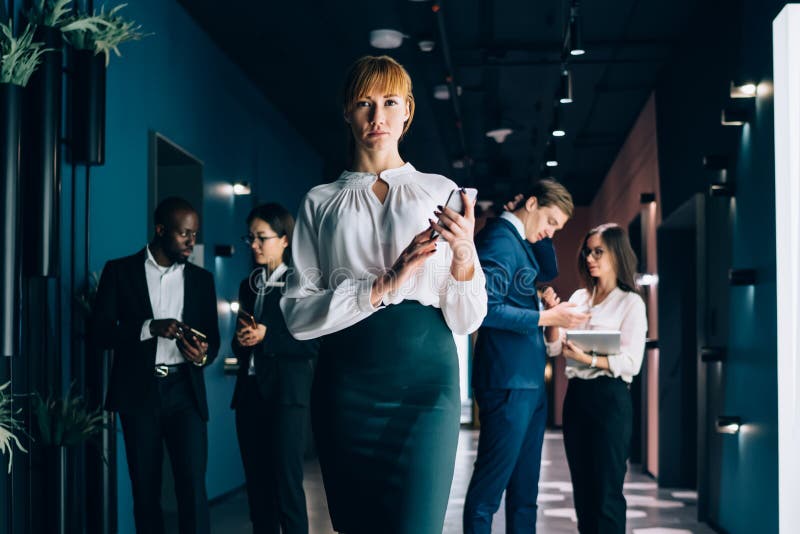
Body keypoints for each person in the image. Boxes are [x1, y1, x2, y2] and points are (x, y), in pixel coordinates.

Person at [280, 55, 488, 533]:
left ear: (408, 110)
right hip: (346, 385)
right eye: (364, 103)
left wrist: (462, 256)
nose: (378, 117)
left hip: (427, 386)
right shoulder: (319, 202)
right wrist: (384, 284)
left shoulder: (443, 191)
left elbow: (467, 318)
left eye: (390, 102)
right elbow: (297, 314)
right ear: (346, 113)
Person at [463, 179, 590, 533]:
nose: (550, 232)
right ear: (531, 203)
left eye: (558, 229)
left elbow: (548, 271)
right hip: (507, 382)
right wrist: (547, 316)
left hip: (528, 382)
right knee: (489, 491)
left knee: (525, 493)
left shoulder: (518, 240)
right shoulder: (500, 239)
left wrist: (542, 231)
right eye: (550, 221)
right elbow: (484, 310)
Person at [92, 197, 220, 534]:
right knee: (145, 490)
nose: (192, 242)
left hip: (186, 393)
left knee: (192, 487)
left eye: (194, 234)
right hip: (139, 393)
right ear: (160, 230)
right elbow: (98, 333)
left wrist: (202, 355)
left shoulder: (201, 280)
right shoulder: (119, 271)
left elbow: (213, 342)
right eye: (184, 234)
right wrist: (148, 327)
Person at [544, 223, 647, 534]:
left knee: (606, 492)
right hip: (577, 398)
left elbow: (631, 363)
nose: (590, 257)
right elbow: (552, 347)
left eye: (598, 251)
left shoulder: (631, 303)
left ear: (617, 254)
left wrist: (586, 358)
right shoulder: (579, 297)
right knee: (584, 492)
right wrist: (552, 314)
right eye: (587, 251)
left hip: (611, 400)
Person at [231, 203, 318, 534]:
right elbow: (239, 345)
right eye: (250, 237)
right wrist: (242, 340)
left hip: (286, 396)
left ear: (284, 240)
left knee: (287, 488)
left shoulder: (302, 285)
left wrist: (268, 337)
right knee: (257, 489)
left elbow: (312, 344)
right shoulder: (248, 285)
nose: (253, 245)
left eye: (261, 237)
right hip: (250, 394)